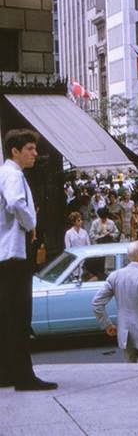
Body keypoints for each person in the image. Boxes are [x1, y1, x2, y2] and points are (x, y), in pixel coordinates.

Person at [0, 129, 57, 390]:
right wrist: (31, 223)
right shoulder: (12, 174)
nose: (35, 154)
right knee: (20, 316)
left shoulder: (5, 173)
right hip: (15, 253)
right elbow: (15, 203)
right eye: (30, 149)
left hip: (6, 255)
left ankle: (7, 373)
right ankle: (23, 376)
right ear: (15, 151)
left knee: (7, 316)